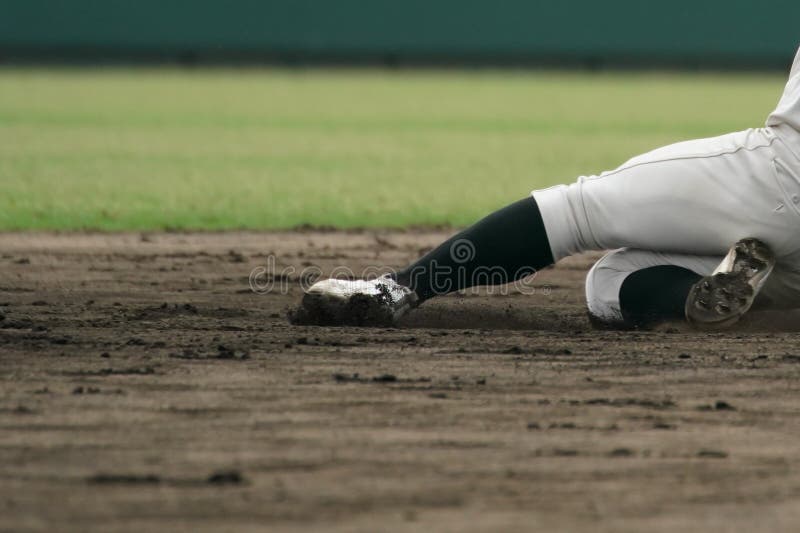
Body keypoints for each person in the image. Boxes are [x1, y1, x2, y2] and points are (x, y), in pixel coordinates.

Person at [293, 45, 800, 330]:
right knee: (609, 279)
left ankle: (393, 290)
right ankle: (698, 294)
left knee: (577, 210)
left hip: (783, 178)